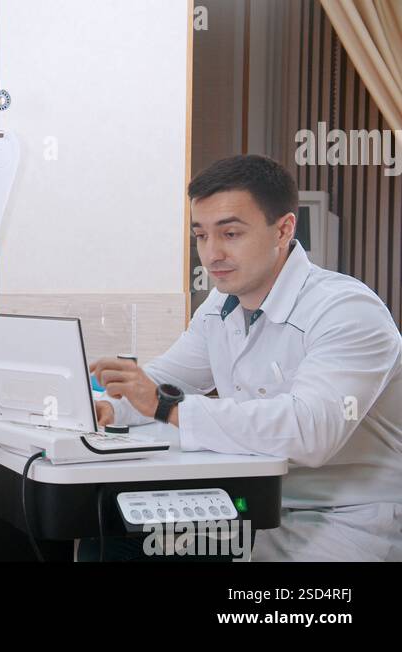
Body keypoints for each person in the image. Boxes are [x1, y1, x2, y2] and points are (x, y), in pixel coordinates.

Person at [86, 155, 402, 561]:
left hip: (348, 516)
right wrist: (108, 406)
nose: (211, 253)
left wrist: (167, 407)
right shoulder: (222, 306)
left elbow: (311, 432)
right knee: (114, 539)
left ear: (283, 229)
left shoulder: (346, 310)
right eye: (200, 235)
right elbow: (165, 381)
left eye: (230, 233)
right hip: (255, 504)